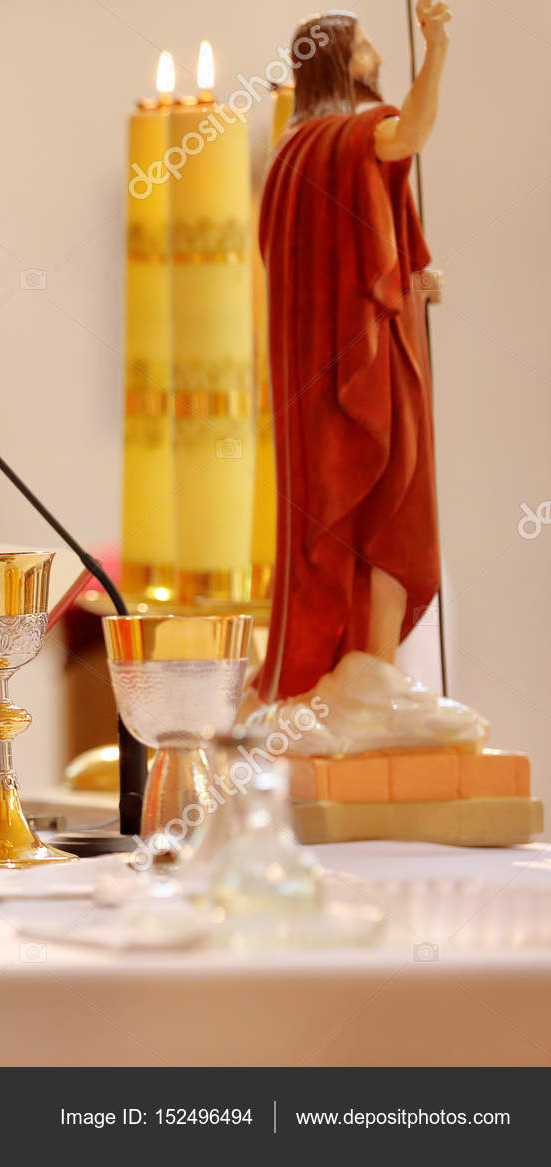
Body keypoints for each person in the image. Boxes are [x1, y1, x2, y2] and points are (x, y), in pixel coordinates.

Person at [255, 2, 449, 702]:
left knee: (363, 504)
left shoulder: (291, 149)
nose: (376, 54)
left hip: (323, 362)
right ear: (341, 60)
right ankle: (374, 668)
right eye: (365, 45)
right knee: (398, 498)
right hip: (367, 355)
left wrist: (410, 272)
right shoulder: (346, 136)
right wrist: (439, 47)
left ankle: (369, 672)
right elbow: (414, 132)